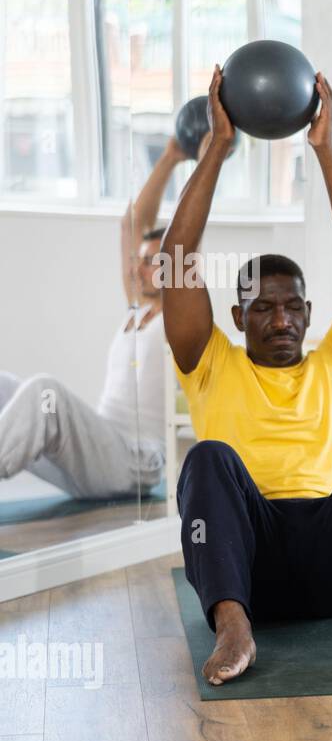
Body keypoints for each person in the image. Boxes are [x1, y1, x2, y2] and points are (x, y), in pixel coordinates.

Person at [164, 67, 332, 685]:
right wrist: (217, 150)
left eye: (292, 307)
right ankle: (233, 627)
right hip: (246, 560)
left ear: (311, 314)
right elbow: (176, 260)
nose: (280, 319)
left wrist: (323, 150)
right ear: (237, 316)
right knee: (206, 457)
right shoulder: (210, 364)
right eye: (262, 307)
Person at [0, 135, 195, 499]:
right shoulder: (136, 309)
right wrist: (169, 156)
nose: (138, 268)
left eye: (151, 261)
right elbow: (130, 227)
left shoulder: (180, 316)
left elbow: (181, 240)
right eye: (138, 260)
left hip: (137, 460)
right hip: (96, 456)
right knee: (3, 384)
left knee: (47, 392)